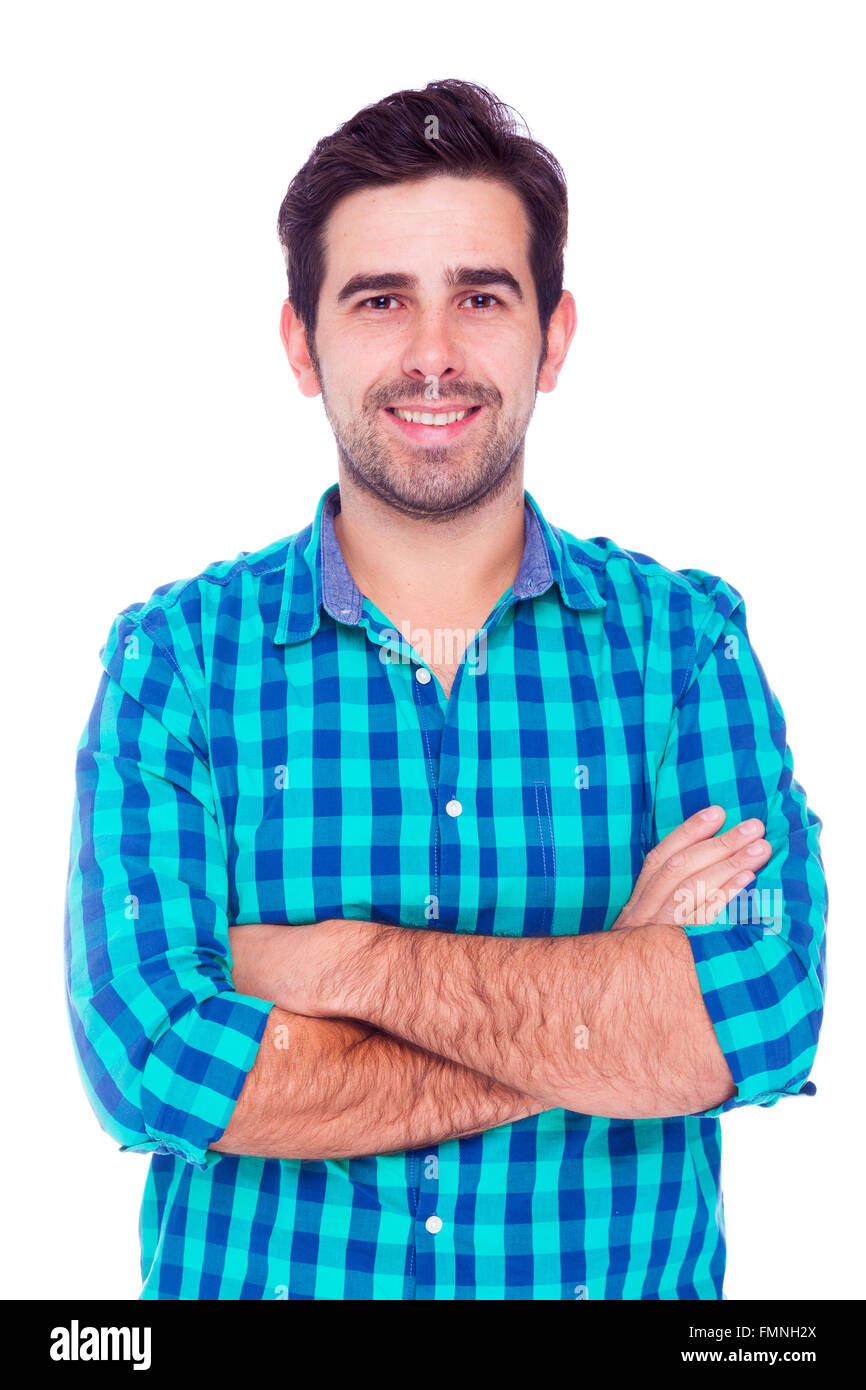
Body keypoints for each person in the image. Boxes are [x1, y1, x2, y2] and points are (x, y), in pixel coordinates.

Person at [64, 79, 826, 1301]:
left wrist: (346, 966)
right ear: (301, 344)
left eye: (480, 295)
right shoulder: (176, 662)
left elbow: (761, 1009)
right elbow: (155, 1061)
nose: (432, 353)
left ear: (554, 335)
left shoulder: (686, 646)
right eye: (379, 301)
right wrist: (609, 993)